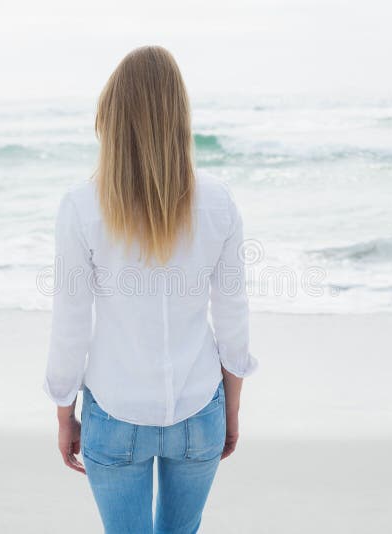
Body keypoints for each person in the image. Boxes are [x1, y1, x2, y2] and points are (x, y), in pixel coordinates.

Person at [43, 45, 258, 534]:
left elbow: (69, 324)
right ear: (179, 116)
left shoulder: (81, 206)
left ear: (112, 118)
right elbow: (233, 317)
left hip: (115, 413)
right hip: (199, 409)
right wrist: (232, 408)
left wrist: (63, 413)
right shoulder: (218, 202)